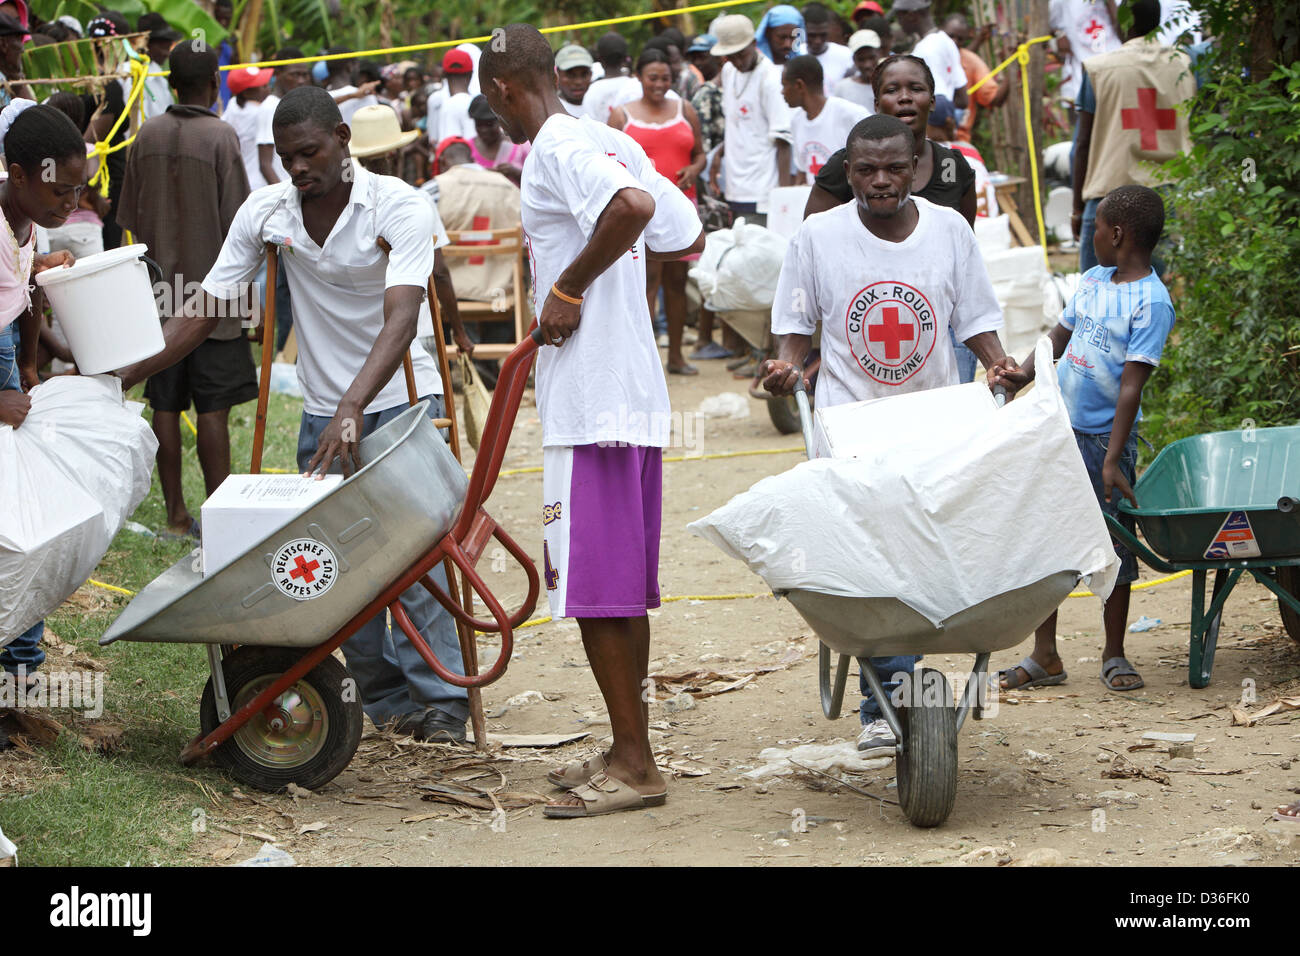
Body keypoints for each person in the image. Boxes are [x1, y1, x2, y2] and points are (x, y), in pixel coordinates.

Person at [118, 86, 473, 743]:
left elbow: (402, 314)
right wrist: (134, 368)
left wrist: (354, 405)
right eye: (287, 157)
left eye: (309, 152)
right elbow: (208, 304)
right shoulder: (268, 211)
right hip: (321, 414)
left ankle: (444, 704)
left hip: (395, 403)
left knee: (414, 565)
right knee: (337, 569)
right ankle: (382, 700)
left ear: (342, 137)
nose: (299, 168)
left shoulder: (397, 205)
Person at [479, 24, 704, 817]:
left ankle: (637, 764)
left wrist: (569, 287)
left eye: (493, 106)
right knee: (616, 590)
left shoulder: (554, 148)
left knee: (599, 589)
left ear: (507, 89)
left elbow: (638, 208)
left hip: (592, 399)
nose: (497, 123)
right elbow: (684, 231)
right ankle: (625, 746)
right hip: (631, 395)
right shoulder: (607, 141)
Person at [763, 114, 1013, 756]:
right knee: (875, 563)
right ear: (849, 173)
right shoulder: (819, 236)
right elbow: (795, 321)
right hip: (851, 428)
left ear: (915, 166)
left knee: (926, 560)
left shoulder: (949, 229)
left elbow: (975, 315)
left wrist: (997, 363)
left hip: (931, 425)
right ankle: (889, 701)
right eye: (867, 170)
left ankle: (909, 689)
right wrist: (787, 365)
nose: (881, 182)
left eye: (894, 169)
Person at [989, 185, 1175, 693]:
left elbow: (1132, 387)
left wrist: (1113, 459)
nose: (1089, 236)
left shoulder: (1152, 303)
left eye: (1095, 228)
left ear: (1117, 234)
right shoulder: (1093, 279)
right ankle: (1045, 655)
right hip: (1057, 430)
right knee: (1047, 540)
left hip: (1102, 444)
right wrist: (1021, 376)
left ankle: (1114, 653)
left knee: (1112, 546)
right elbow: (1059, 335)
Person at [118, 40, 255, 540]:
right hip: (213, 302)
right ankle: (219, 517)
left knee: (166, 407)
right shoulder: (221, 137)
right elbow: (240, 221)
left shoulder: (146, 135)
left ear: (171, 83)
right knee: (213, 410)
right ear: (214, 83)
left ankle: (176, 515)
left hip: (158, 300)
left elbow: (129, 218)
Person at [0, 102, 84, 689]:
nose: (70, 205)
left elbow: (22, 296)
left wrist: (30, 364)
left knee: (21, 519)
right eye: (60, 191)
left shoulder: (28, 219)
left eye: (78, 191)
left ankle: (19, 668)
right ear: (18, 173)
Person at [1072, 0, 1193, 273]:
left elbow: (1082, 144)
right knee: (1153, 292)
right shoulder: (1184, 66)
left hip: (1109, 196)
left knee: (1097, 294)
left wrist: (1077, 210)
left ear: (1123, 20)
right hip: (1167, 195)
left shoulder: (1099, 69)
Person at [610, 48, 707, 376]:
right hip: (638, 212)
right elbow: (606, 162)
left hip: (680, 206)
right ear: (638, 77)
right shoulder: (622, 115)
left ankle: (677, 356)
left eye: (666, 78)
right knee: (645, 283)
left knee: (677, 283)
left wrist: (694, 170)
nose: (660, 84)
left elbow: (700, 153)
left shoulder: (685, 109)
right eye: (653, 77)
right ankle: (643, 361)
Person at [806, 55, 977, 227]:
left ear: (932, 102)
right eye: (892, 90)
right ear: (877, 105)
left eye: (916, 89)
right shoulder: (846, 165)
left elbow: (963, 243)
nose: (904, 97)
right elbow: (813, 239)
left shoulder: (951, 165)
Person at [708, 14, 794, 227]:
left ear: (754, 44)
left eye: (741, 54)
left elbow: (783, 140)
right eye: (730, 56)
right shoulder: (729, 72)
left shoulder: (771, 78)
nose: (737, 62)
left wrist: (782, 199)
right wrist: (718, 155)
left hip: (762, 190)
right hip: (734, 186)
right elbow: (736, 124)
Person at [256, 47, 310, 352]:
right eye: (295, 74)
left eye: (306, 74)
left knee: (290, 278)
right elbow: (266, 162)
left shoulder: (291, 105)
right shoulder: (271, 107)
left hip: (293, 194)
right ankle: (278, 343)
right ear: (278, 75)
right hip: (279, 200)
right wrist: (289, 199)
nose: (301, 79)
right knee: (278, 279)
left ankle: (288, 344)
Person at [782, 54, 869, 181]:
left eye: (784, 85)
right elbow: (802, 171)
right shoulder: (796, 122)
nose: (782, 91)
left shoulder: (852, 114)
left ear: (799, 85)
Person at [942, 13, 1011, 143]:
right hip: (926, 138)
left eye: (960, 39)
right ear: (941, 32)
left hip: (959, 141)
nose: (953, 42)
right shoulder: (926, 56)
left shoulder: (971, 61)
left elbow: (995, 99)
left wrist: (1013, 67)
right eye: (950, 36)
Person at [894, 0, 968, 109]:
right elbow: (963, 100)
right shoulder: (945, 40)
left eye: (899, 16)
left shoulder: (926, 50)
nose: (899, 23)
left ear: (911, 15)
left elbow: (937, 103)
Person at [1049, 0, 1122, 106]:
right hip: (1080, 82)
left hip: (1116, 81)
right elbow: (1045, 24)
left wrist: (1110, 3)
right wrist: (1058, 34)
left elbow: (1127, 29)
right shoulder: (1060, 2)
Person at [222, 66, 274, 190]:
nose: (268, 89)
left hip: (239, 180)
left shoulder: (232, 106)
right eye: (263, 86)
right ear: (246, 93)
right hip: (259, 183)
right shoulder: (261, 112)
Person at [466, 94, 529, 184]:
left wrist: (516, 173)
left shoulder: (521, 147)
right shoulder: (467, 149)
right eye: (479, 125)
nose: (484, 130)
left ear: (499, 122)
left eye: (489, 124)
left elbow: (536, 181)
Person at [803, 2, 854, 94]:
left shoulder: (846, 55)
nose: (818, 41)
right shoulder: (795, 54)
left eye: (823, 35)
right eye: (812, 35)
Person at [137, 16, 180, 121]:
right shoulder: (131, 75)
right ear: (147, 44)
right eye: (162, 47)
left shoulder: (159, 77)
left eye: (168, 47)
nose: (166, 53)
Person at [833, 29, 882, 112]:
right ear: (854, 60)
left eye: (871, 58)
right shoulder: (842, 88)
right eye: (861, 60)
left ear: (879, 54)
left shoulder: (889, 85)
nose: (867, 65)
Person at [436, 48, 477, 141]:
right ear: (471, 74)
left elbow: (449, 145)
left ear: (443, 74)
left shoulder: (448, 106)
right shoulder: (479, 103)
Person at [555, 43, 593, 117]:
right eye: (570, 75)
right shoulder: (552, 113)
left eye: (584, 74)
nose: (578, 82)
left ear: (591, 74)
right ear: (557, 75)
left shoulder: (597, 105)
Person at [213, 0, 238, 110]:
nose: (223, 23)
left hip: (226, 99)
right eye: (219, 18)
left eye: (226, 19)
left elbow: (236, 69)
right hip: (211, 102)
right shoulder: (205, 37)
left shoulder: (231, 41)